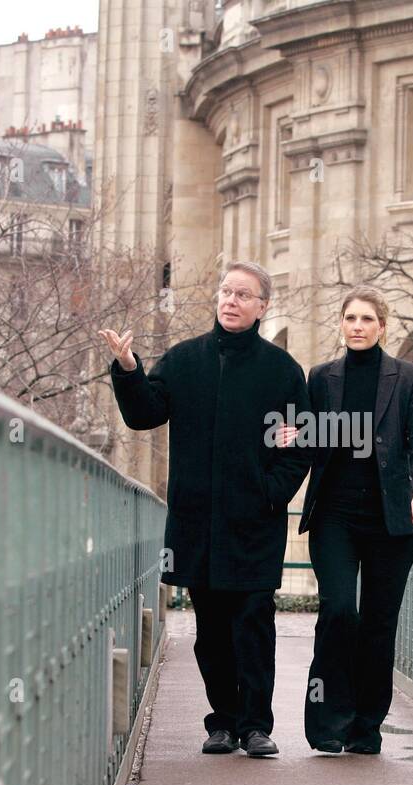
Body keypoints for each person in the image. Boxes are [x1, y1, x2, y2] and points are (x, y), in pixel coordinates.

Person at [102, 260, 310, 758]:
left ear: (262, 307)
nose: (230, 301)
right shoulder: (183, 359)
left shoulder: (282, 371)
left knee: (254, 623)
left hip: (254, 523)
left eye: (243, 295)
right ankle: (222, 722)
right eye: (225, 292)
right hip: (196, 522)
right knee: (211, 631)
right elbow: (144, 415)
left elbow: (301, 443)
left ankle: (257, 725)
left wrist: (270, 492)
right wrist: (129, 369)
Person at [293, 285, 413, 754]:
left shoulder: (407, 376)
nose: (357, 327)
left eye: (367, 320)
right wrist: (295, 436)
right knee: (338, 612)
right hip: (334, 513)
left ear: (382, 326)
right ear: (341, 324)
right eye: (350, 318)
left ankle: (367, 725)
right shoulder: (322, 377)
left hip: (390, 518)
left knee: (379, 622)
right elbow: (314, 441)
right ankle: (327, 723)